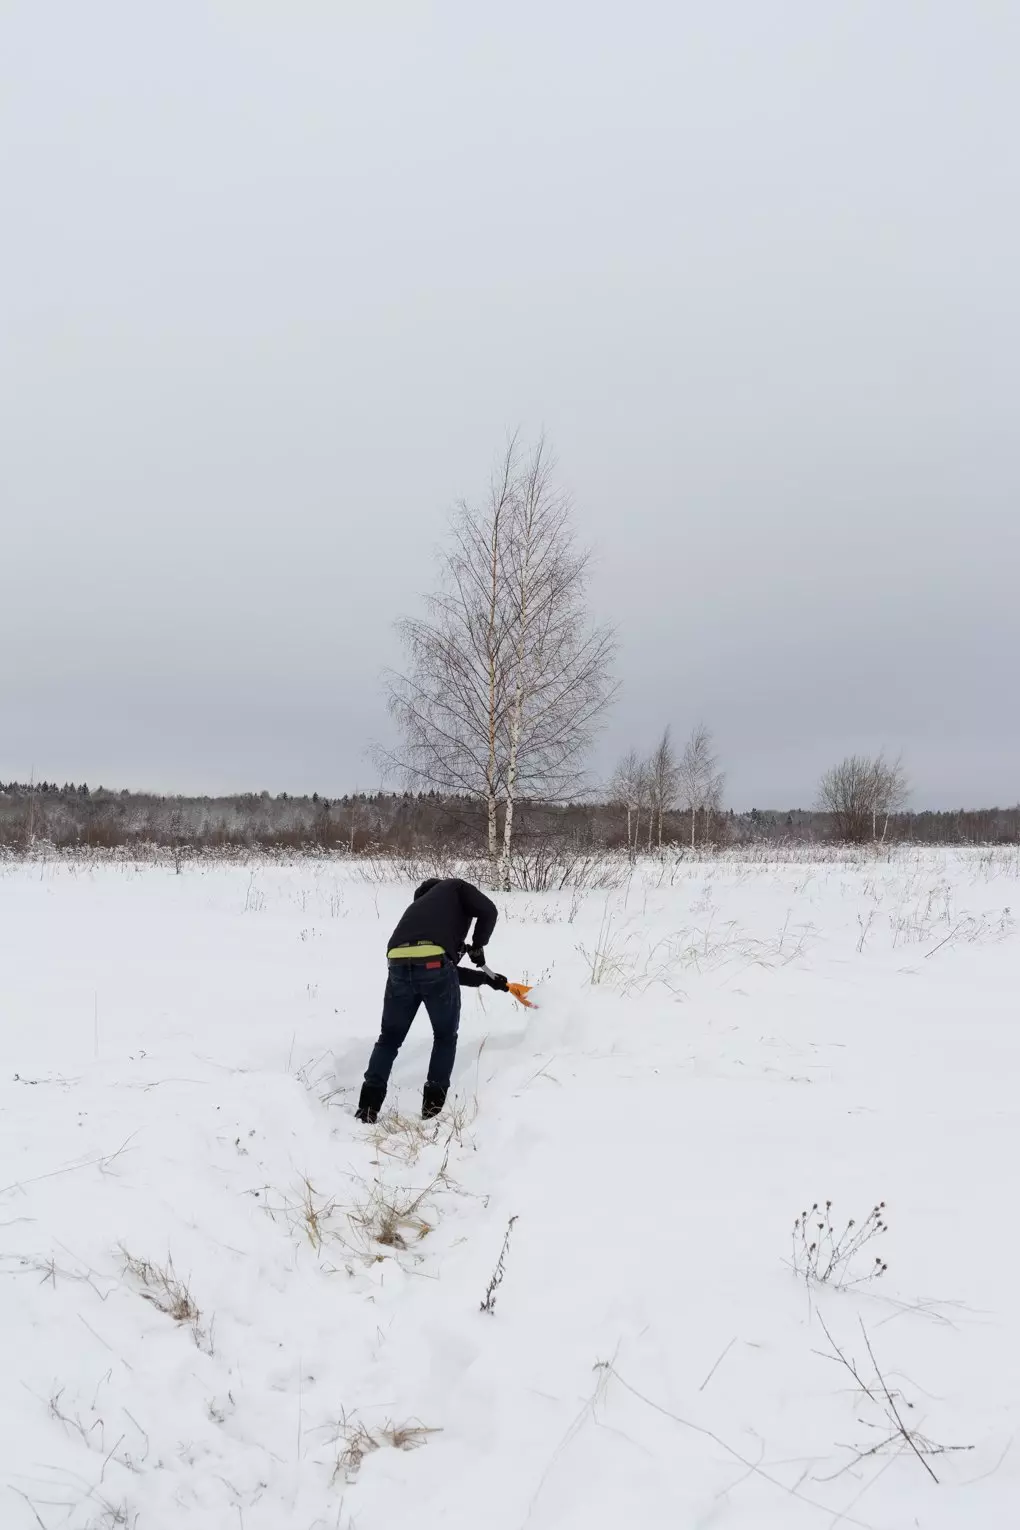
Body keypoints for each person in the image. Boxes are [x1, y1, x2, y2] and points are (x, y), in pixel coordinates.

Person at [355, 876, 508, 1123]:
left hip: (397, 962)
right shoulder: (456, 886)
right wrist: (478, 947)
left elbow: (437, 968)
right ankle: (432, 1114)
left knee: (389, 1039)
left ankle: (367, 1111)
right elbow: (488, 911)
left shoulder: (418, 914)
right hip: (435, 963)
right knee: (445, 1037)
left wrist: (484, 979)